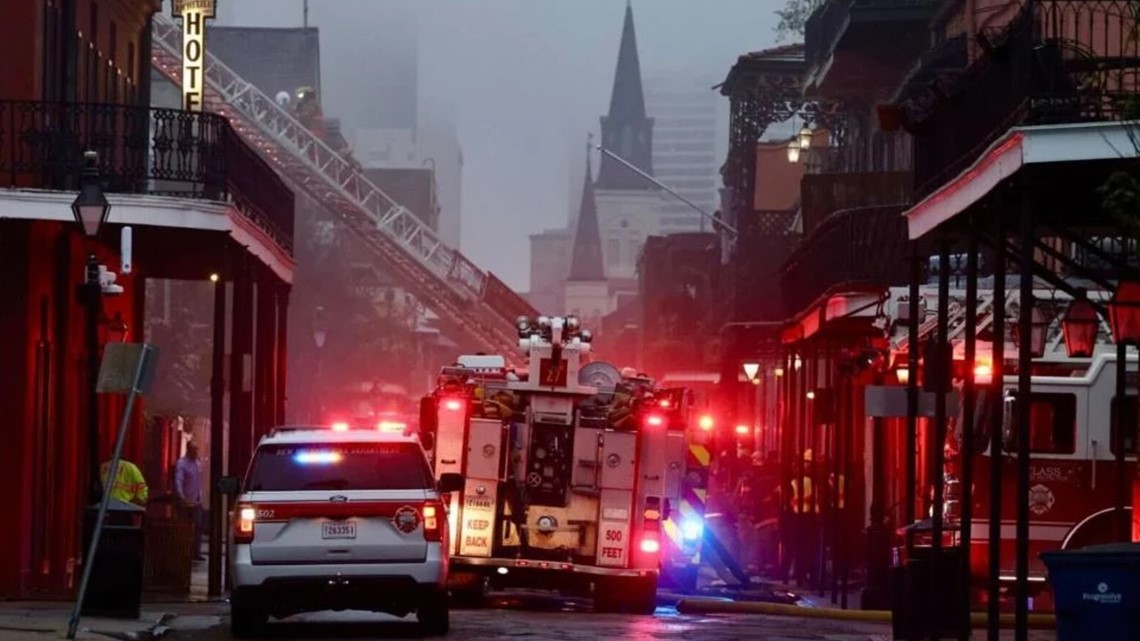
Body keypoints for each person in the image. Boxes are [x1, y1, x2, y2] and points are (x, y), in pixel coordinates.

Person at [175, 442, 205, 561]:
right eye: (194, 450)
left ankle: (195, 552)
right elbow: (178, 480)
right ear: (188, 450)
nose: (196, 452)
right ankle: (183, 551)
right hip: (186, 501)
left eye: (197, 450)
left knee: (198, 527)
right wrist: (181, 496)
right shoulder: (182, 464)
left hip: (196, 501)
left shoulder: (197, 463)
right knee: (184, 527)